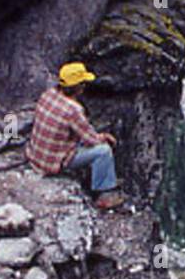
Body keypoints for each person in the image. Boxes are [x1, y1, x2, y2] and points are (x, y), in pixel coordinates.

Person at [26, 62, 126, 210]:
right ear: (78, 87)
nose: (84, 87)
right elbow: (91, 140)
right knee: (104, 151)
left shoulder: (48, 94)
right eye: (83, 84)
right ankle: (104, 195)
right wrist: (104, 136)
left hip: (36, 156)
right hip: (53, 163)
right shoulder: (73, 110)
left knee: (81, 139)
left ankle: (103, 177)